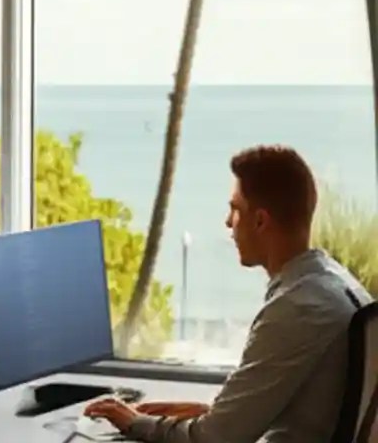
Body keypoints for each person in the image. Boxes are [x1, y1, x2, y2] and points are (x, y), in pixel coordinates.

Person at [86, 144, 373, 442]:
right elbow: (302, 402)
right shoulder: (335, 282)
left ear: (260, 221)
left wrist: (134, 422)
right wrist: (210, 411)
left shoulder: (296, 308)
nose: (227, 222)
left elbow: (215, 440)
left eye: (235, 209)